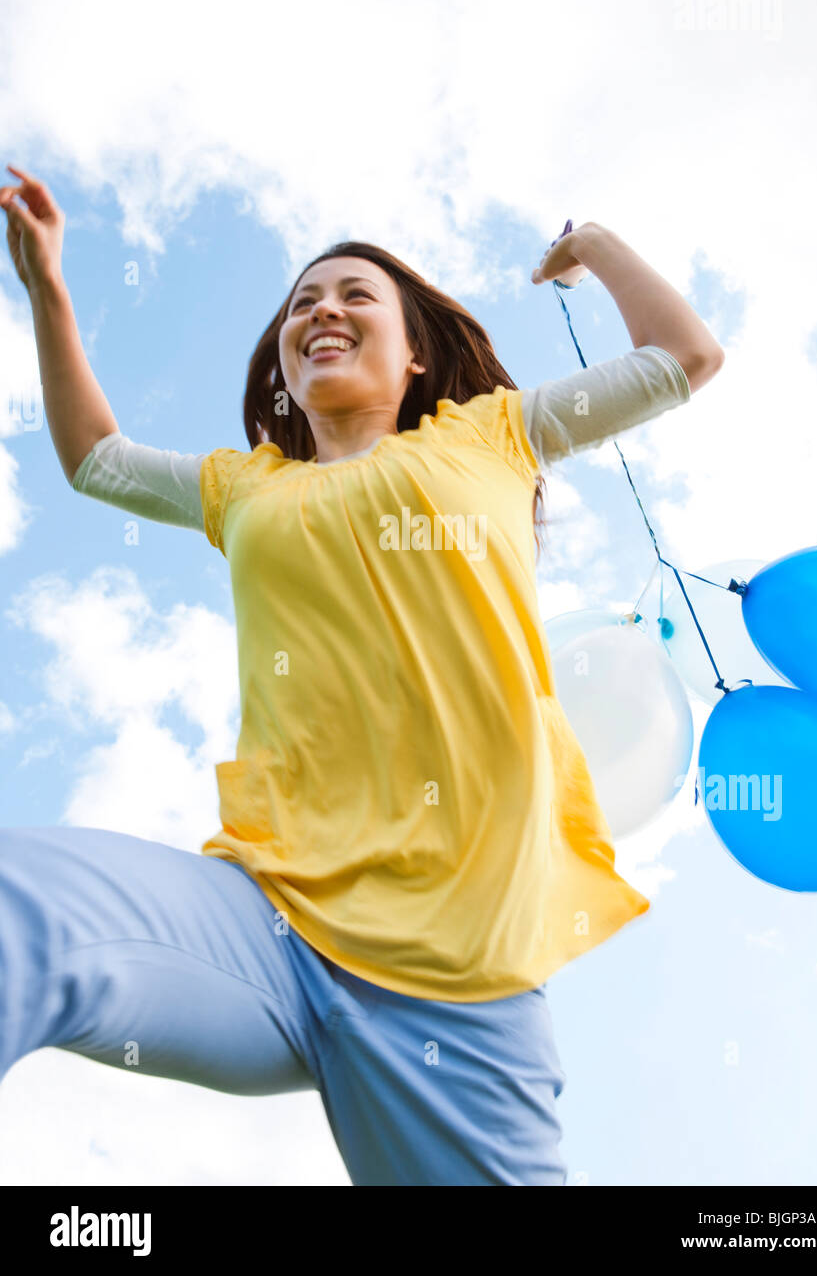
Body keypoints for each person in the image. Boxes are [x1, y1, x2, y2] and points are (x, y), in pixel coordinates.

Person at [0, 163, 724, 1186]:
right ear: (283, 363)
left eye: (352, 295)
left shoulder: (492, 433)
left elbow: (683, 357)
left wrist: (593, 242)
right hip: (267, 926)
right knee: (18, 906)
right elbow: (95, 461)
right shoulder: (241, 486)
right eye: (301, 303)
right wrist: (49, 289)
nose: (321, 311)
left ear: (413, 347)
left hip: (458, 987)